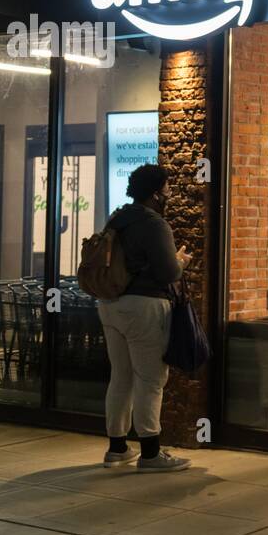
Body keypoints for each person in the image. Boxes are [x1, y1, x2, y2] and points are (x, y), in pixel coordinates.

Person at [97, 163, 193, 472]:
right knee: (151, 378)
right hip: (144, 306)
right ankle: (151, 453)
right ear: (156, 192)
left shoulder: (117, 218)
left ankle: (117, 448)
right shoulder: (154, 224)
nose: (168, 193)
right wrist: (181, 261)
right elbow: (168, 272)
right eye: (166, 187)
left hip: (110, 303)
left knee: (121, 375)